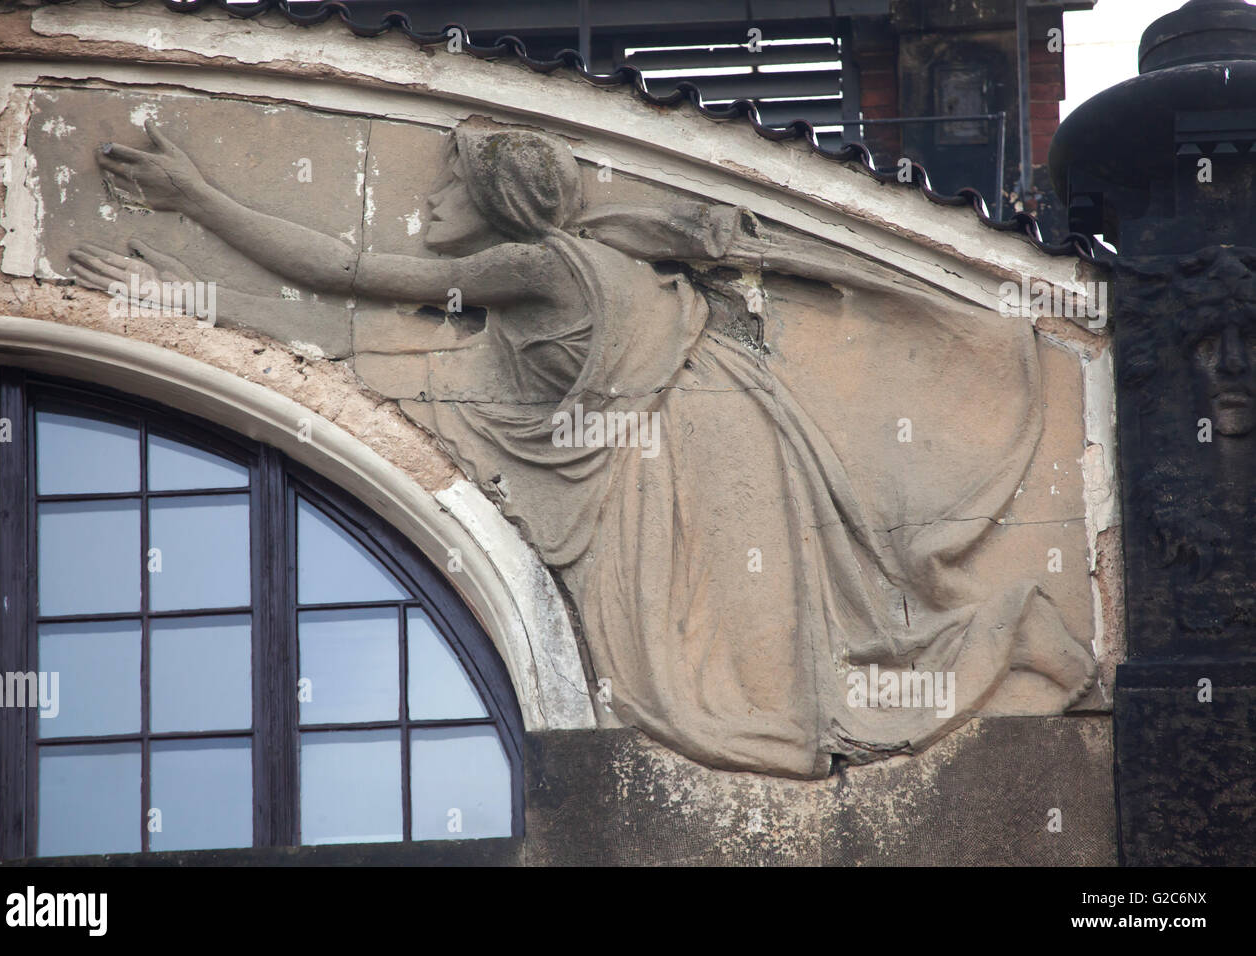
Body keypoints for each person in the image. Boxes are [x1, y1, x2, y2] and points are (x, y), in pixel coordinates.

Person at [70, 120, 1096, 777]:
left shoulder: (536, 266)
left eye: (449, 187)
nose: (426, 199)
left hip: (695, 445)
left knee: (727, 690)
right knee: (771, 669)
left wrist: (200, 198)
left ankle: (1002, 634)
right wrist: (195, 304)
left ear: (499, 202)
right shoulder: (579, 263)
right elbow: (362, 345)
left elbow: (351, 273)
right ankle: (1000, 638)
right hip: (704, 430)